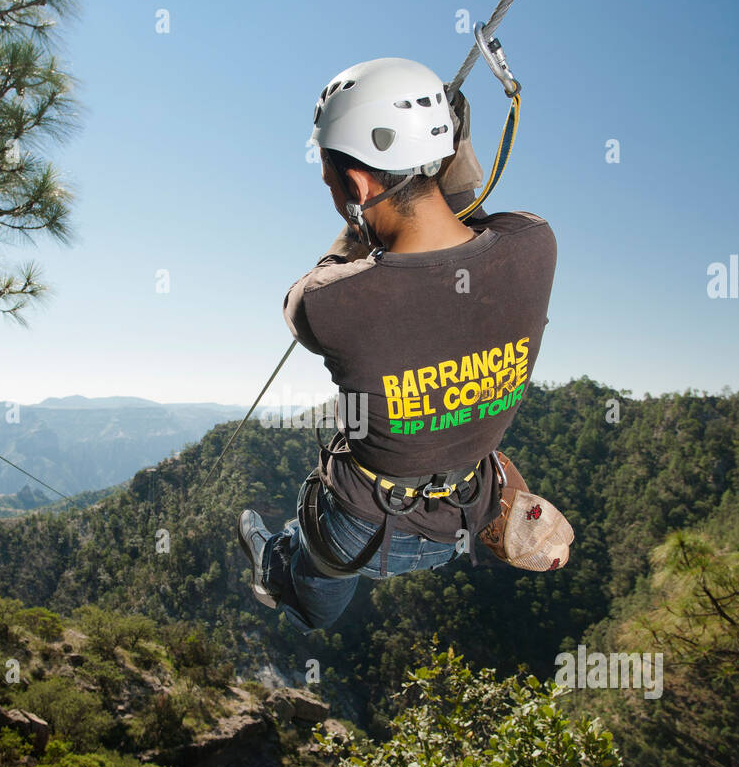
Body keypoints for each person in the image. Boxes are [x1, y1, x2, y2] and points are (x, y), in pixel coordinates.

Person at [238, 57, 573, 633]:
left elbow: (331, 276)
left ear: (358, 183)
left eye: (332, 183)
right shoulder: (537, 245)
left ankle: (286, 576)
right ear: (443, 156)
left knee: (315, 567)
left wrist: (361, 215)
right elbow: (470, 224)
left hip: (359, 528)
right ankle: (303, 570)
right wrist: (445, 159)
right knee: (329, 554)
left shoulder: (324, 303)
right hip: (462, 521)